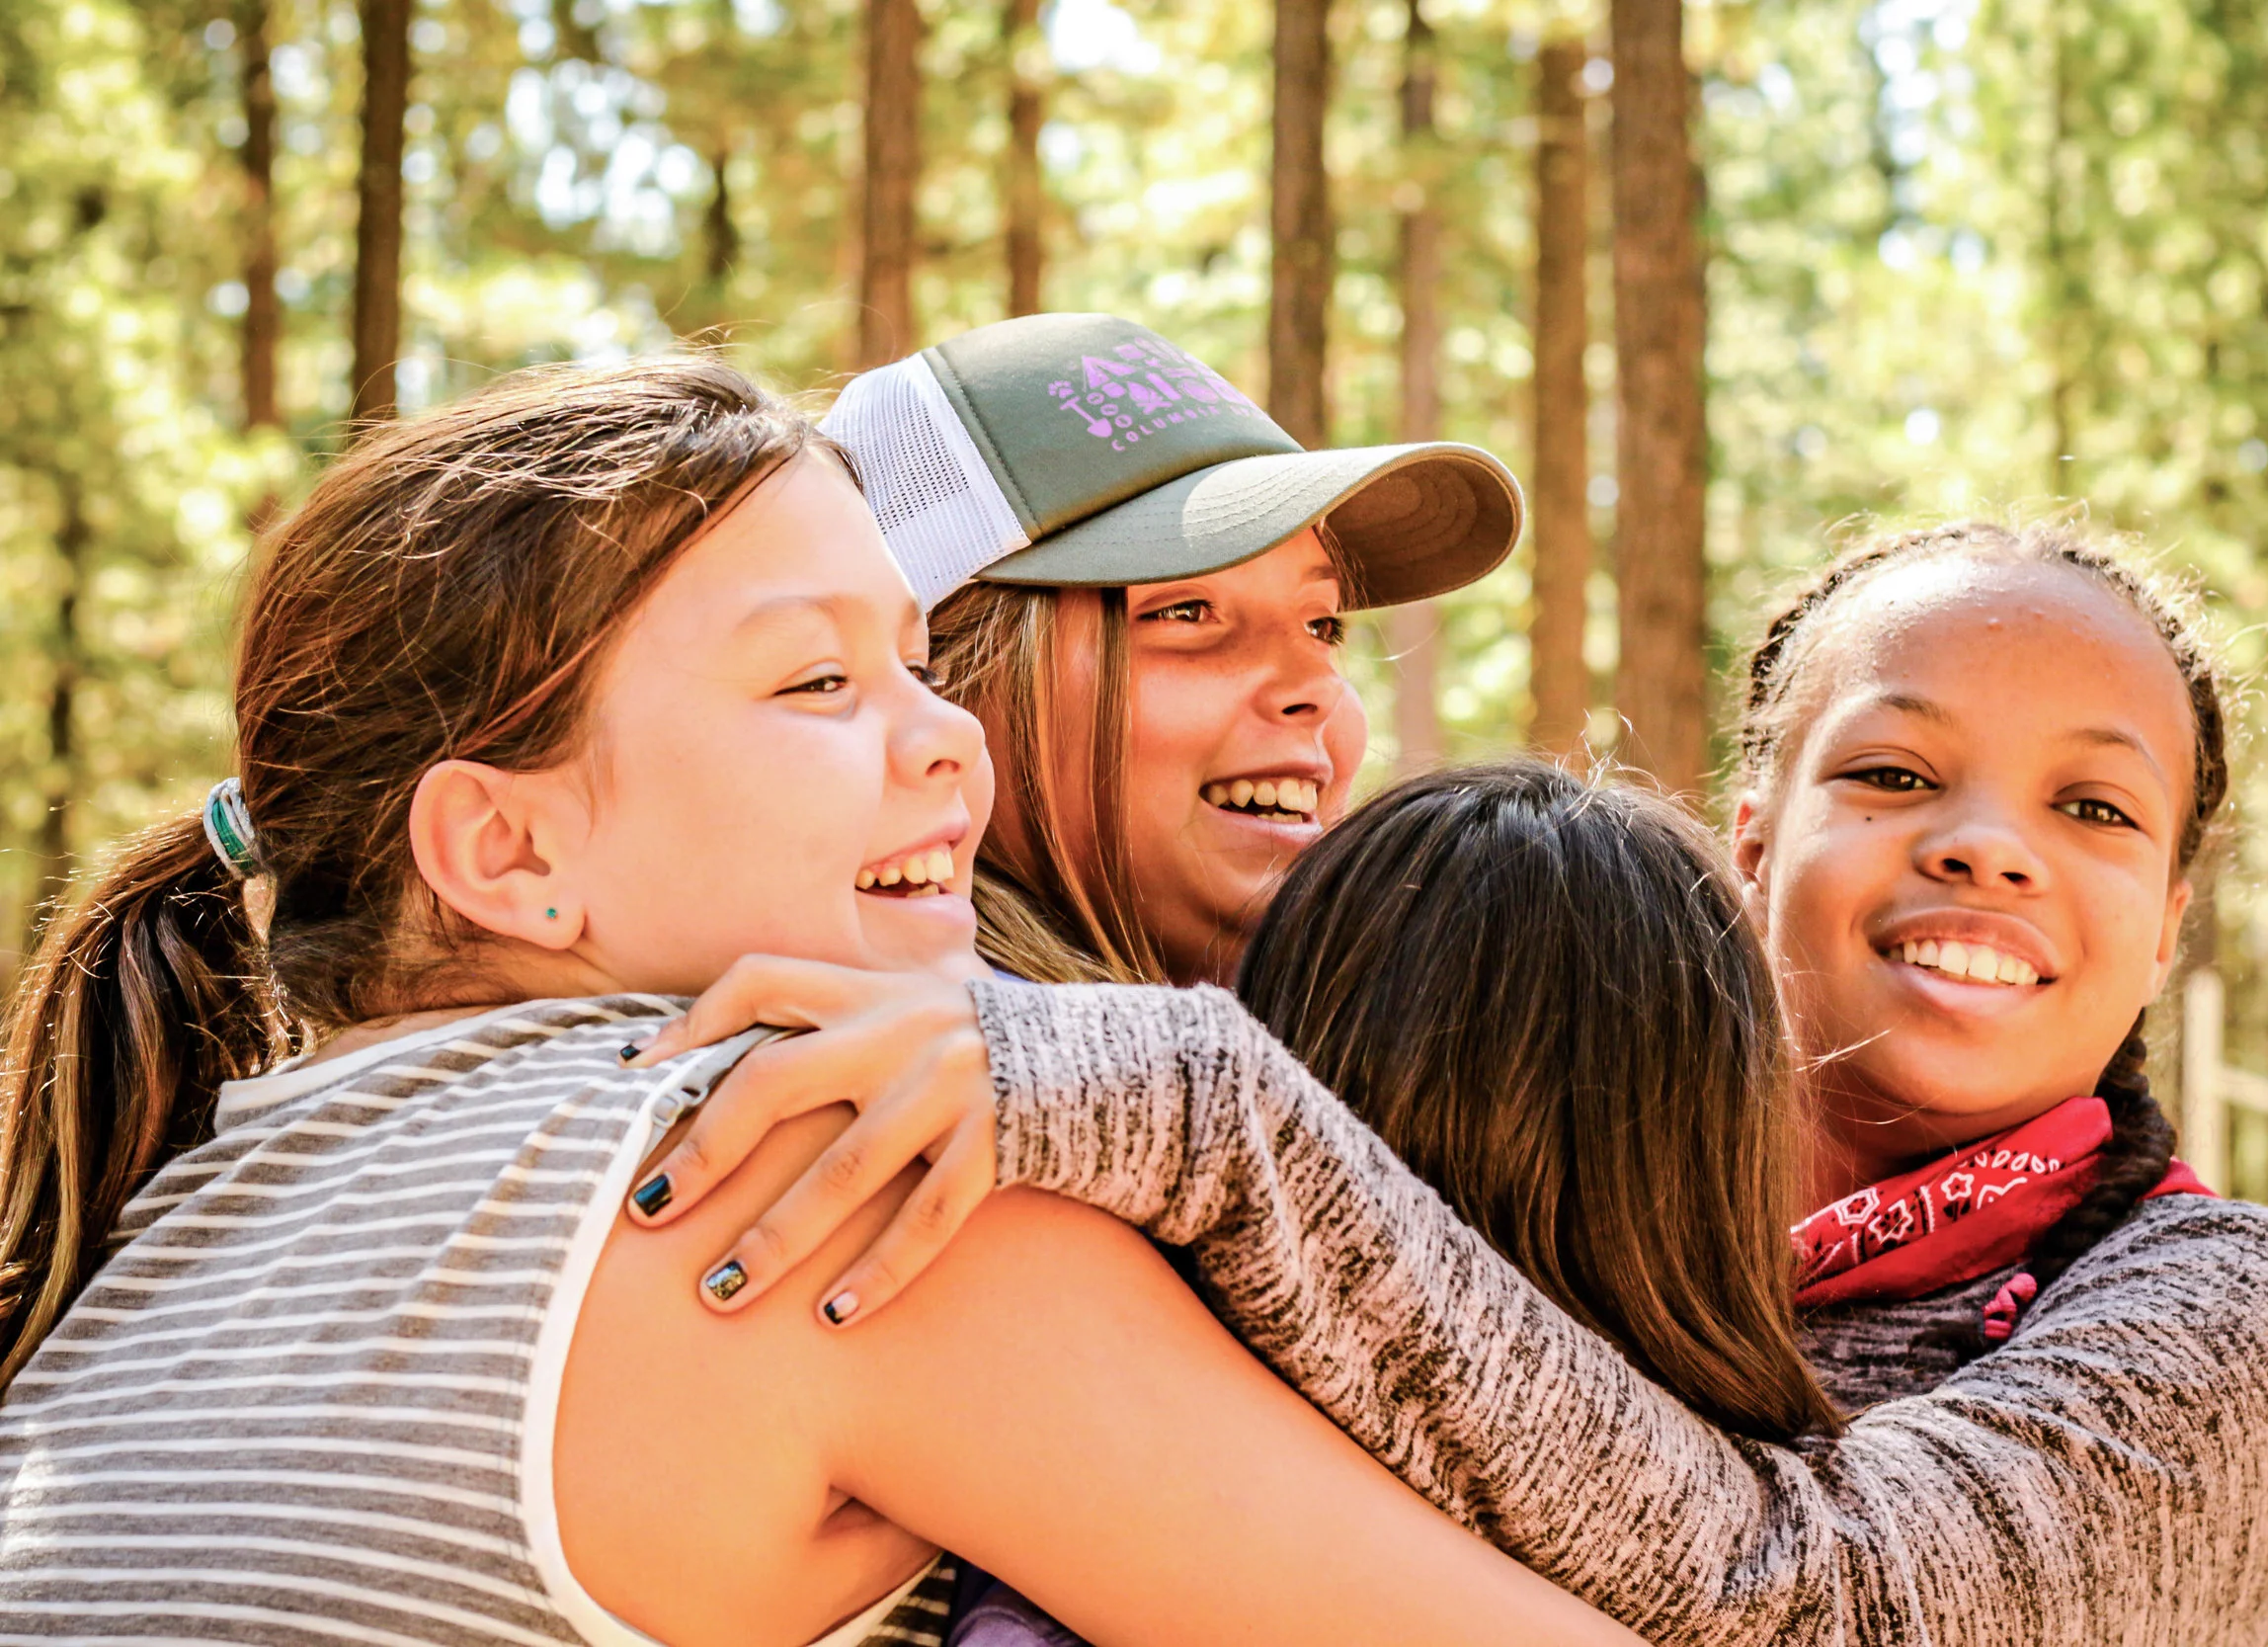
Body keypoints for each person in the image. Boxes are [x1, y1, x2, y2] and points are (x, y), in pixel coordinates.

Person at [0, 357, 1642, 1647]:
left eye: (919, 663)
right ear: (506, 848)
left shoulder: (161, 1224)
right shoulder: (812, 1176)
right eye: (817, 682)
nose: (949, 745)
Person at [642, 521, 2268, 1644]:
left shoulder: (2226, 1302)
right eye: (1899, 770)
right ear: (1755, 840)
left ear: (2168, 929)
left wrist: (1207, 1103)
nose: (1989, 847)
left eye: (2099, 809)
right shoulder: (1468, 1146)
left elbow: (1846, 1602)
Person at [819, 310, 1523, 985]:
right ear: (929, 680)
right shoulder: (907, 1074)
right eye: (1186, 611)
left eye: (1323, 624)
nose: (1317, 686)